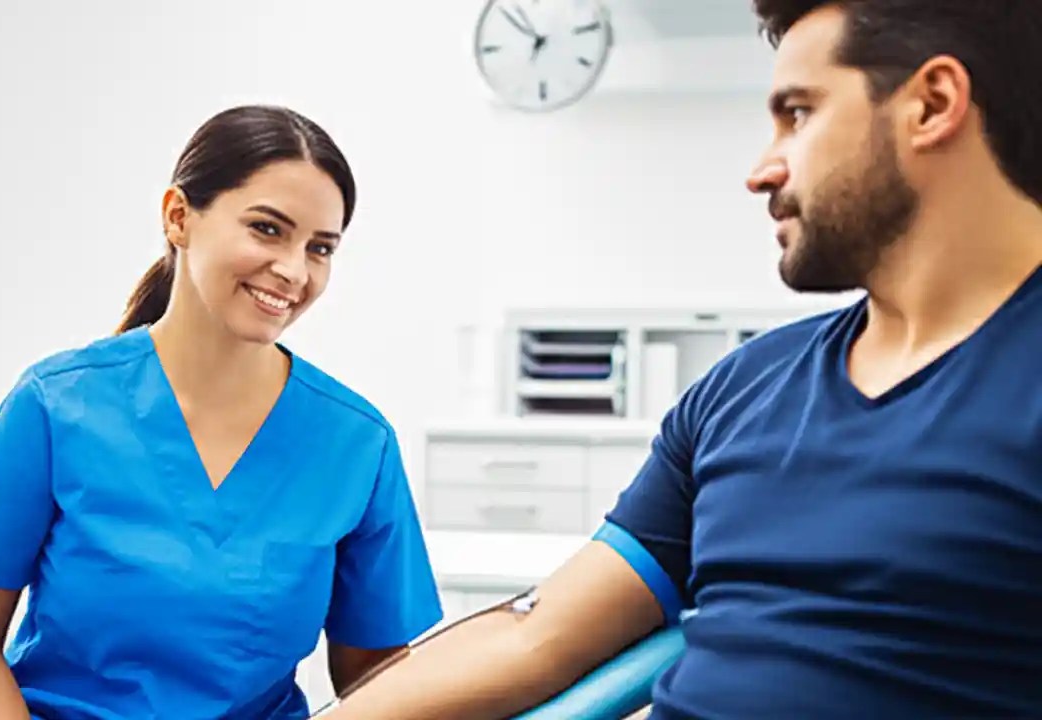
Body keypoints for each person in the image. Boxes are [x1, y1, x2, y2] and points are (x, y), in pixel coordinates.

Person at [317, 1, 1042, 718]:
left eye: (799, 114)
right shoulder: (745, 390)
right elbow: (536, 634)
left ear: (932, 104)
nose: (762, 170)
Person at [0, 105, 443, 719]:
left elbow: (376, 679)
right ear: (178, 217)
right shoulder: (58, 405)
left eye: (320, 248)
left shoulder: (356, 444)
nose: (294, 271)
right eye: (267, 229)